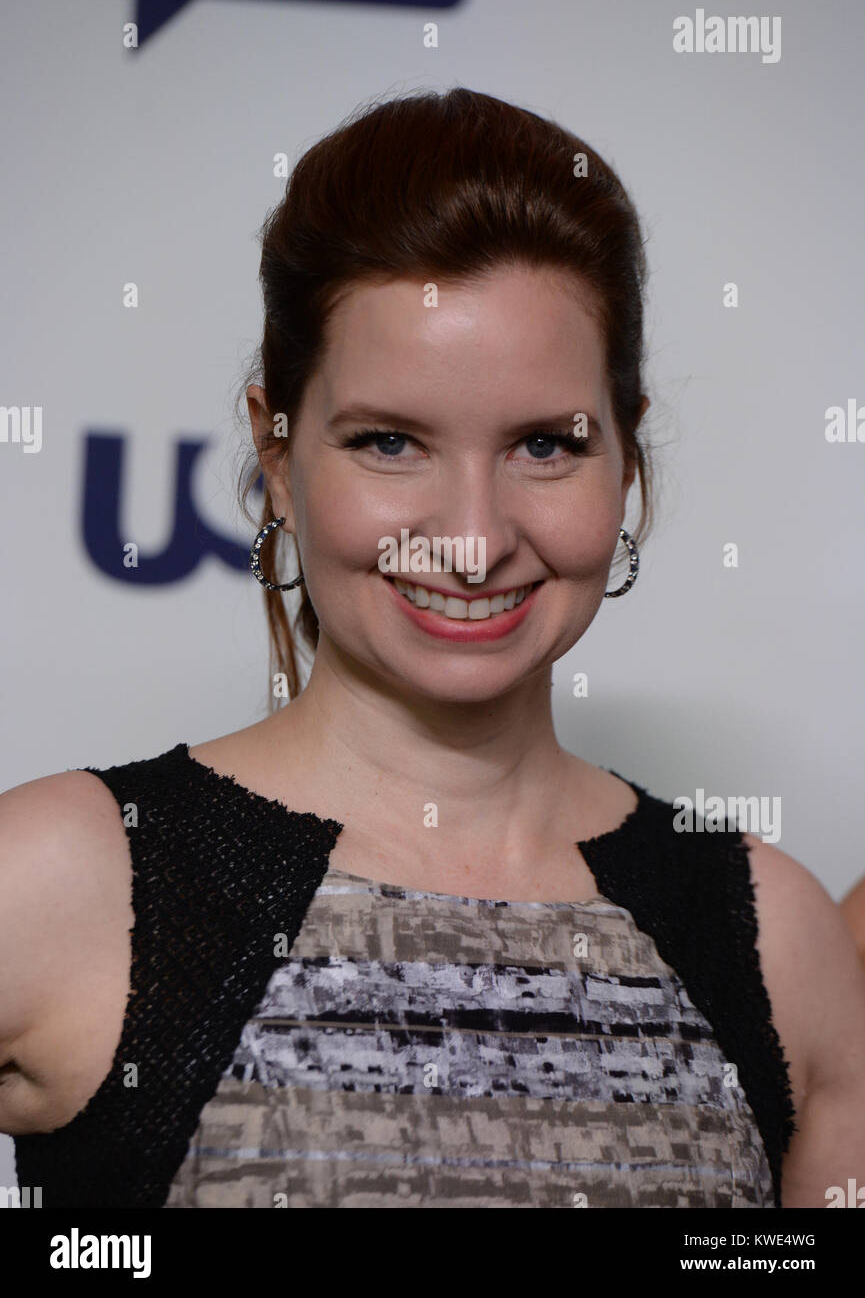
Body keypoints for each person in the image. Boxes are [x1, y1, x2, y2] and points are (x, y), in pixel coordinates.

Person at [2, 89, 864, 1210]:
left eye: (546, 444)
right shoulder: (61, 876)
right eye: (389, 441)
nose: (472, 536)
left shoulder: (774, 934)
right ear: (277, 456)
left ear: (626, 465)